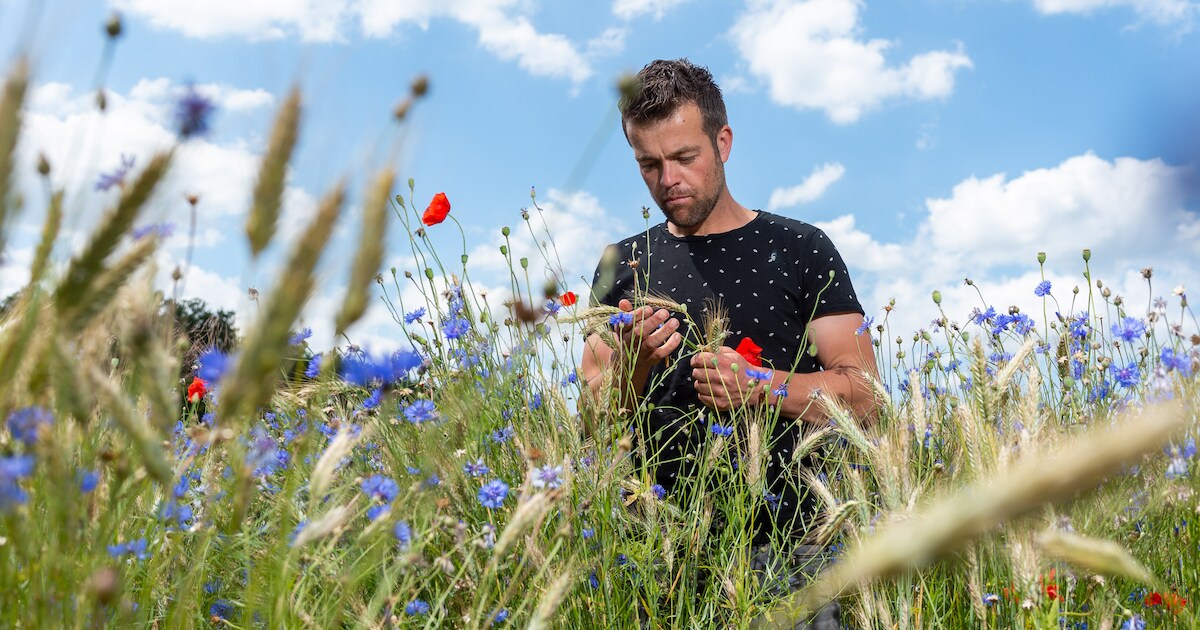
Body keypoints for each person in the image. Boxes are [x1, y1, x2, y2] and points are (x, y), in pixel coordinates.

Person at [580, 58, 879, 628]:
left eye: (684, 158)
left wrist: (760, 386)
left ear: (723, 142)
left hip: (795, 554)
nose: (668, 179)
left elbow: (864, 395)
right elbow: (592, 420)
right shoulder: (619, 265)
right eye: (649, 164)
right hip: (661, 555)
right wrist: (633, 367)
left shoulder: (802, 248)